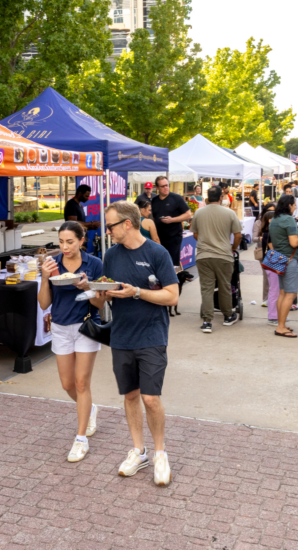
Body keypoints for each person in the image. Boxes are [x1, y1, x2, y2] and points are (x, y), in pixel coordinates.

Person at [94, 201, 179, 487]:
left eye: (111, 226)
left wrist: (137, 292)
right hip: (121, 335)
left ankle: (160, 453)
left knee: (151, 398)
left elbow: (172, 297)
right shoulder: (111, 255)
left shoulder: (158, 253)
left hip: (152, 335)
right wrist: (95, 293)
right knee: (130, 396)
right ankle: (138, 451)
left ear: (127, 224)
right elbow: (101, 298)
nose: (108, 231)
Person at [38, 222, 104, 462]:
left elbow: (100, 304)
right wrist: (45, 278)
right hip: (60, 328)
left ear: (81, 240)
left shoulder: (94, 264)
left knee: (81, 383)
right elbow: (44, 304)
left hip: (86, 326)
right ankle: (90, 408)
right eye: (61, 242)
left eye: (70, 242)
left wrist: (87, 286)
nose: (64, 247)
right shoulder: (52, 264)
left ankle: (80, 439)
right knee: (67, 385)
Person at [190, 185, 242, 333]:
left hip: (204, 255)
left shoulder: (199, 213)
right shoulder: (229, 213)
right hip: (224, 255)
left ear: (207, 197)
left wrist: (206, 240)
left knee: (207, 288)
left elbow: (195, 234)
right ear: (221, 197)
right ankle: (228, 316)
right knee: (225, 286)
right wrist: (233, 248)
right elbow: (238, 235)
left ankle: (207, 321)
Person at [269, 194, 298, 338]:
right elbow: (294, 243)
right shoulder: (289, 219)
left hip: (279, 258)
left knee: (282, 293)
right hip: (290, 259)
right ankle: (281, 327)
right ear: (289, 205)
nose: (295, 207)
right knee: (290, 294)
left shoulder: (274, 219)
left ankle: (280, 324)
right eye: (294, 204)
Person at [150, 175, 192, 266]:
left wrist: (172, 220)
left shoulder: (176, 198)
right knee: (160, 262)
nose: (166, 188)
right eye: (162, 186)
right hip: (159, 237)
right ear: (157, 188)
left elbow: (188, 214)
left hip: (173, 237)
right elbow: (154, 217)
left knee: (172, 263)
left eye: (167, 185)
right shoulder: (154, 200)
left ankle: (174, 279)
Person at [252, 203, 275, 307]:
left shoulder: (276, 222)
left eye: (274, 211)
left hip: (275, 250)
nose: (271, 213)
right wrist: (263, 238)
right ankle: (266, 299)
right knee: (266, 275)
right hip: (263, 250)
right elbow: (254, 238)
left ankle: (274, 298)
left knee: (275, 276)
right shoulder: (258, 222)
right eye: (269, 211)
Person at [261, 211, 279, 325]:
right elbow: (274, 250)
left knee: (275, 290)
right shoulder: (269, 234)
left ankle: (276, 315)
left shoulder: (267, 233)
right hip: (273, 264)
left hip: (271, 264)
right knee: (274, 290)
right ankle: (272, 317)